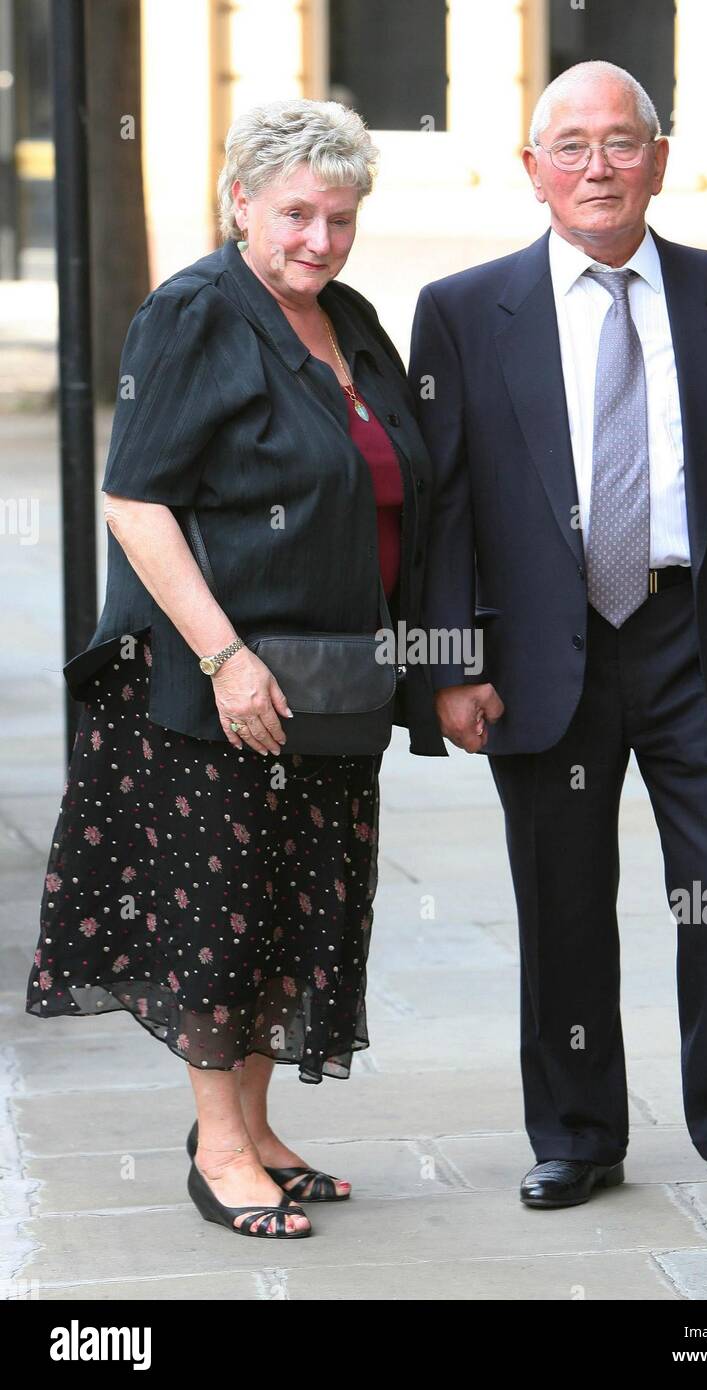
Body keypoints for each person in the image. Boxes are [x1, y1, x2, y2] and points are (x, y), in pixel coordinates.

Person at [26, 97, 444, 1240]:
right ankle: (218, 1150)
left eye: (340, 218)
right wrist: (224, 655)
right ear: (240, 204)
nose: (318, 239)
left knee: (291, 909)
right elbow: (133, 496)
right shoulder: (196, 312)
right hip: (222, 690)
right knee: (220, 910)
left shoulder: (349, 319)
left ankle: (256, 1131)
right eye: (296, 213)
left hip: (333, 685)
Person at [409, 61, 707, 1213]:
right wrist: (450, 666)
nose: (597, 166)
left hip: (695, 642)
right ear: (533, 170)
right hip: (543, 647)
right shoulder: (463, 310)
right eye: (571, 145)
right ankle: (577, 1135)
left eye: (621, 142)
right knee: (562, 897)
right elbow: (442, 510)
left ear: (658, 161)